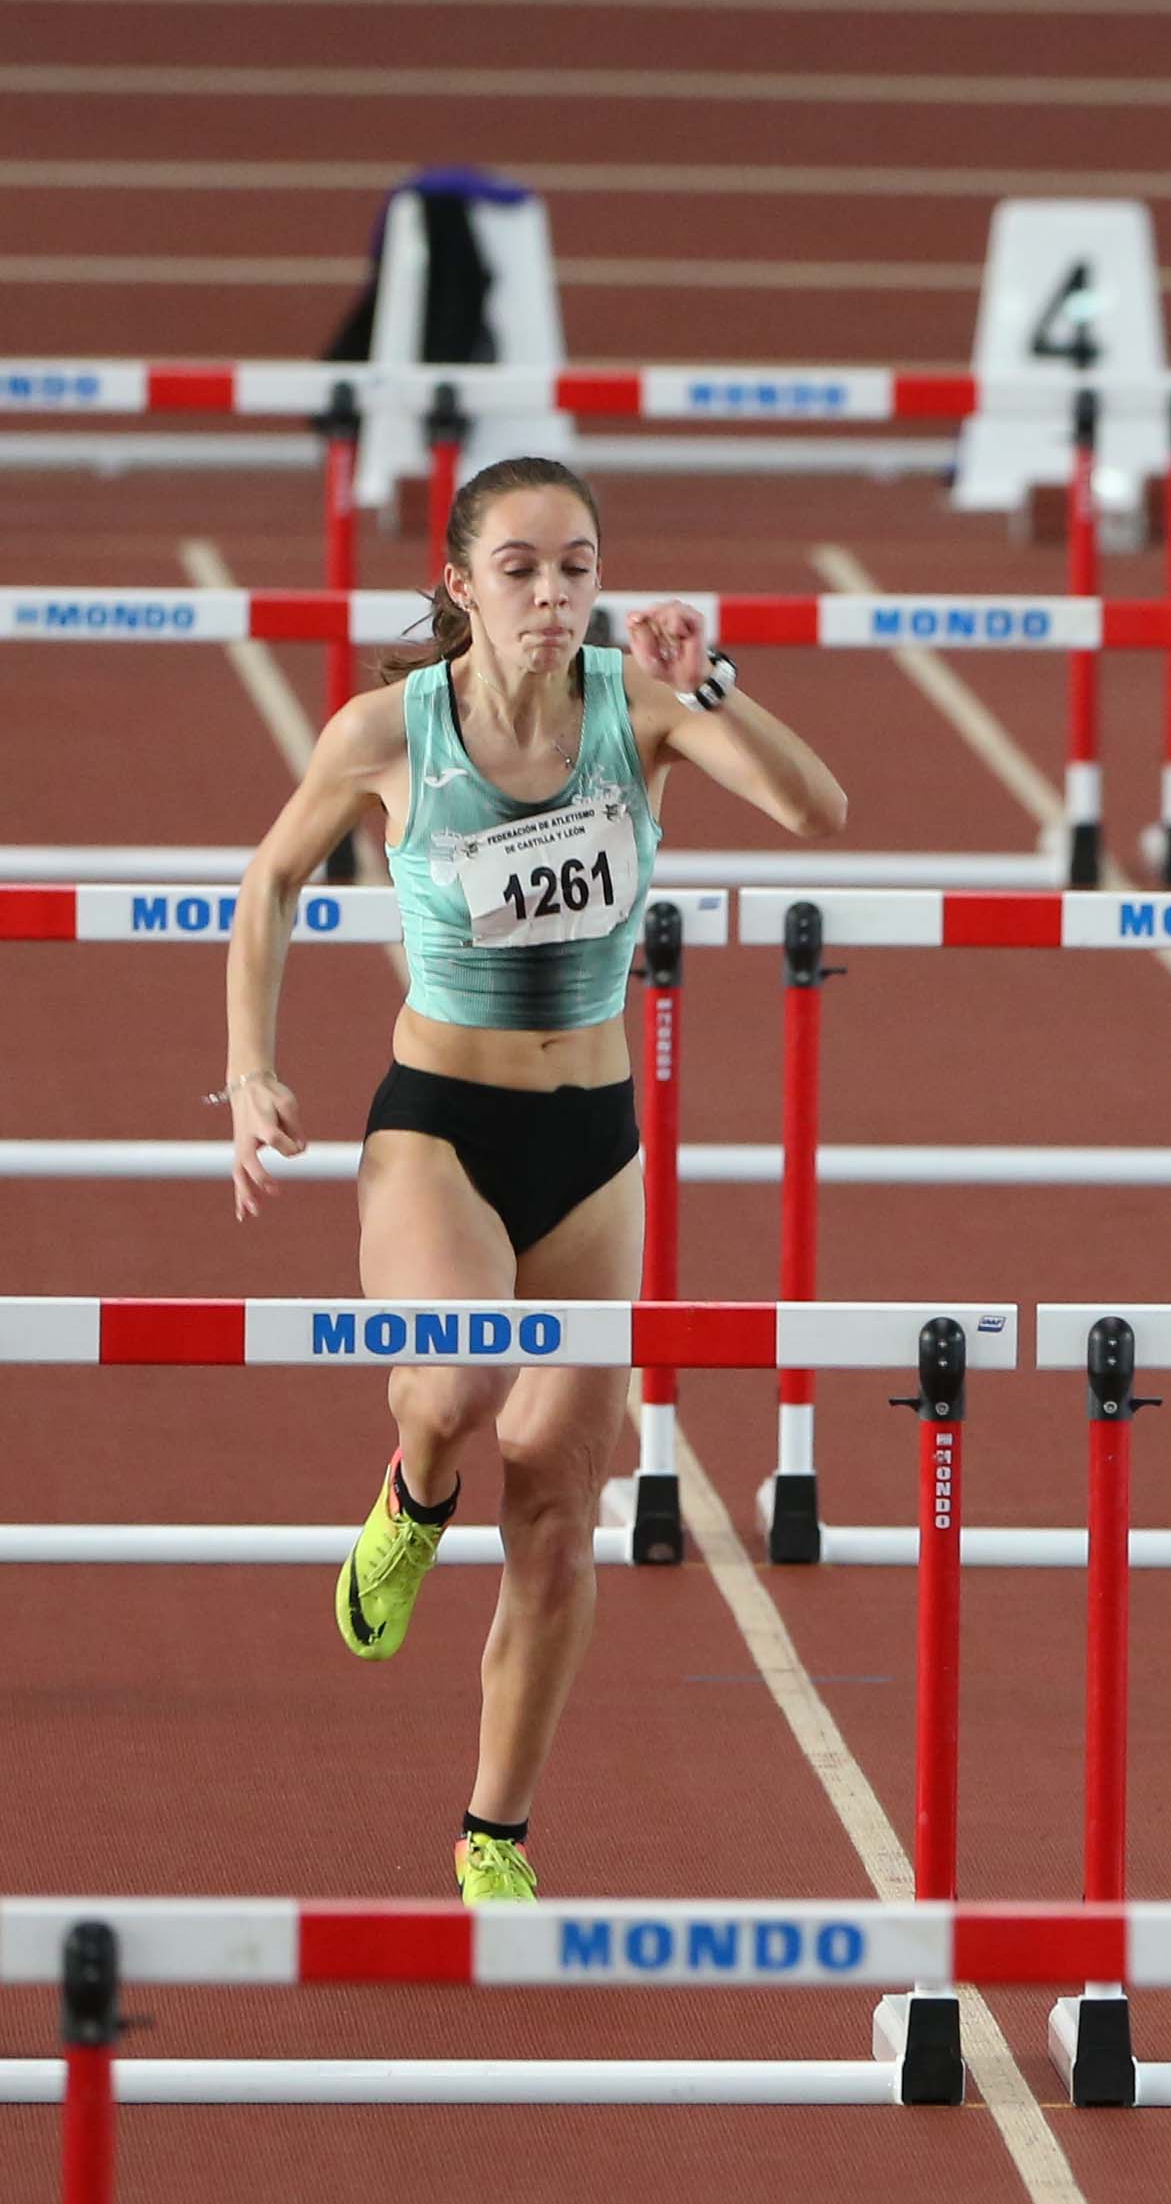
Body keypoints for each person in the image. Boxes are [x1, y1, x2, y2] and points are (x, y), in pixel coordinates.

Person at [219, 457, 852, 1903]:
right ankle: (412, 1486)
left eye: (578, 566)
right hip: (441, 1122)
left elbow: (819, 813)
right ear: (461, 584)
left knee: (564, 1504)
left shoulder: (640, 713)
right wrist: (248, 1069)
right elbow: (268, 884)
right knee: (456, 1385)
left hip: (595, 1147)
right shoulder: (389, 731)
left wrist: (716, 686)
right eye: (521, 568)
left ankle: (494, 1828)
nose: (555, 595)